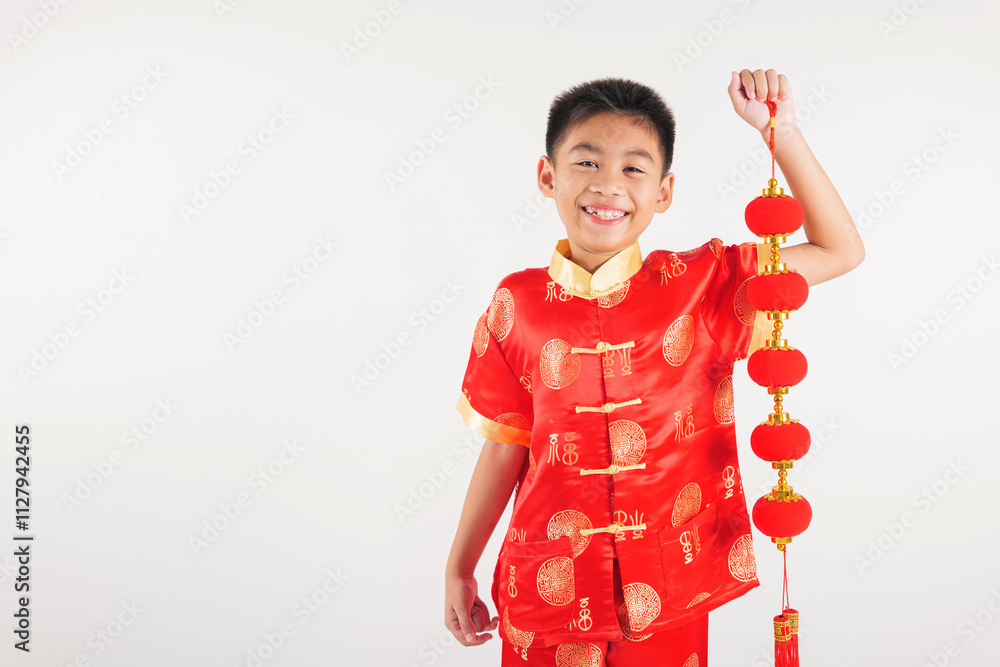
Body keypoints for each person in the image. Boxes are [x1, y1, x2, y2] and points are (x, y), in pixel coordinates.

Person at [444, 69, 864, 666]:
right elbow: (504, 447)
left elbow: (838, 250)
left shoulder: (705, 286)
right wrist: (460, 567)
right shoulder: (515, 303)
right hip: (545, 585)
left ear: (663, 192)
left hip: (669, 584)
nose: (608, 185)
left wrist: (783, 133)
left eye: (634, 169)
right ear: (548, 176)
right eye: (587, 162)